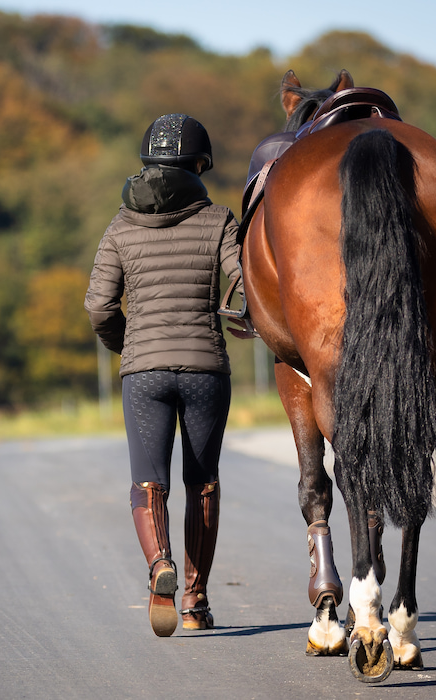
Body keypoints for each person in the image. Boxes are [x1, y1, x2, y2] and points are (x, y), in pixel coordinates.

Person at [84, 113, 253, 637]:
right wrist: (243, 320)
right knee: (202, 483)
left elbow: (98, 306)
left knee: (146, 481)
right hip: (206, 367)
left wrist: (127, 345)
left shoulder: (119, 225)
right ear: (199, 164)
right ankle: (195, 603)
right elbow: (246, 284)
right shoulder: (220, 219)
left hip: (144, 371)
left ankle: (160, 565)